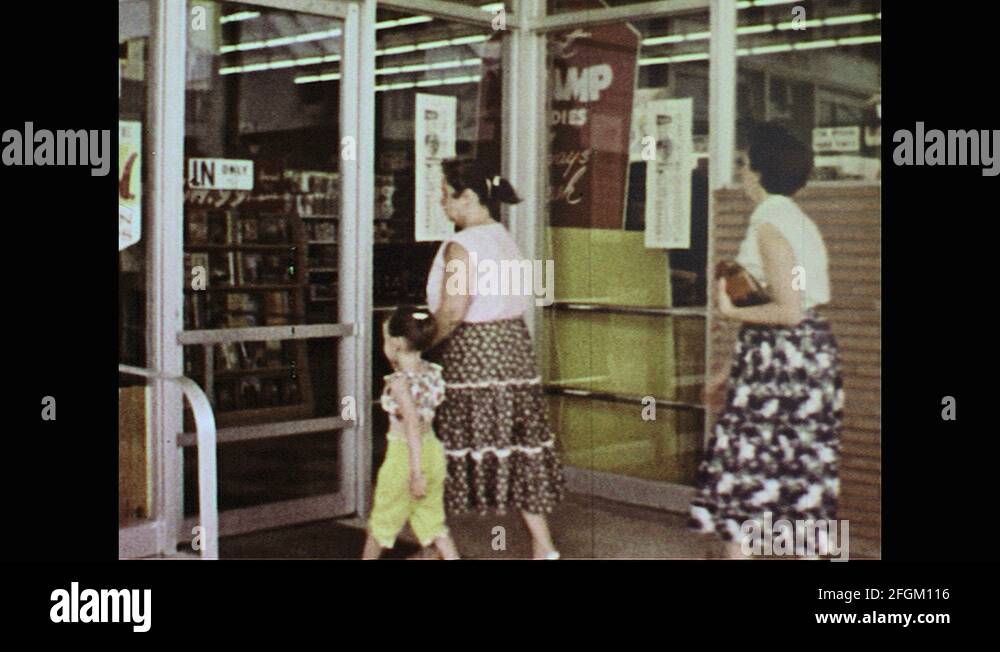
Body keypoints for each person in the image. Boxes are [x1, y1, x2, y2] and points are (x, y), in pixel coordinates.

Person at [689, 123, 844, 559]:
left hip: (782, 358)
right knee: (800, 470)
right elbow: (782, 305)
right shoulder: (797, 221)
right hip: (805, 356)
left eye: (743, 164)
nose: (740, 173)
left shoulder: (770, 225)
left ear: (757, 173)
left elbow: (787, 310)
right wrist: (727, 371)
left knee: (746, 470)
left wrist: (730, 311)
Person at [424, 158, 565, 560]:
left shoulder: (462, 246)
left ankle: (438, 548)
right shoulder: (503, 237)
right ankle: (543, 546)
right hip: (513, 352)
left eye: (444, 196)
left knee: (449, 450)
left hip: (474, 356)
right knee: (519, 446)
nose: (441, 204)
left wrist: (420, 344)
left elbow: (452, 310)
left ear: (466, 197)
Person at [362, 306, 460, 560]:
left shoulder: (399, 384)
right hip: (433, 452)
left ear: (395, 343)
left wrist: (416, 474)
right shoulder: (432, 373)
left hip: (404, 458)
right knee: (434, 525)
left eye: (385, 338)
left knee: (380, 526)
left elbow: (412, 429)